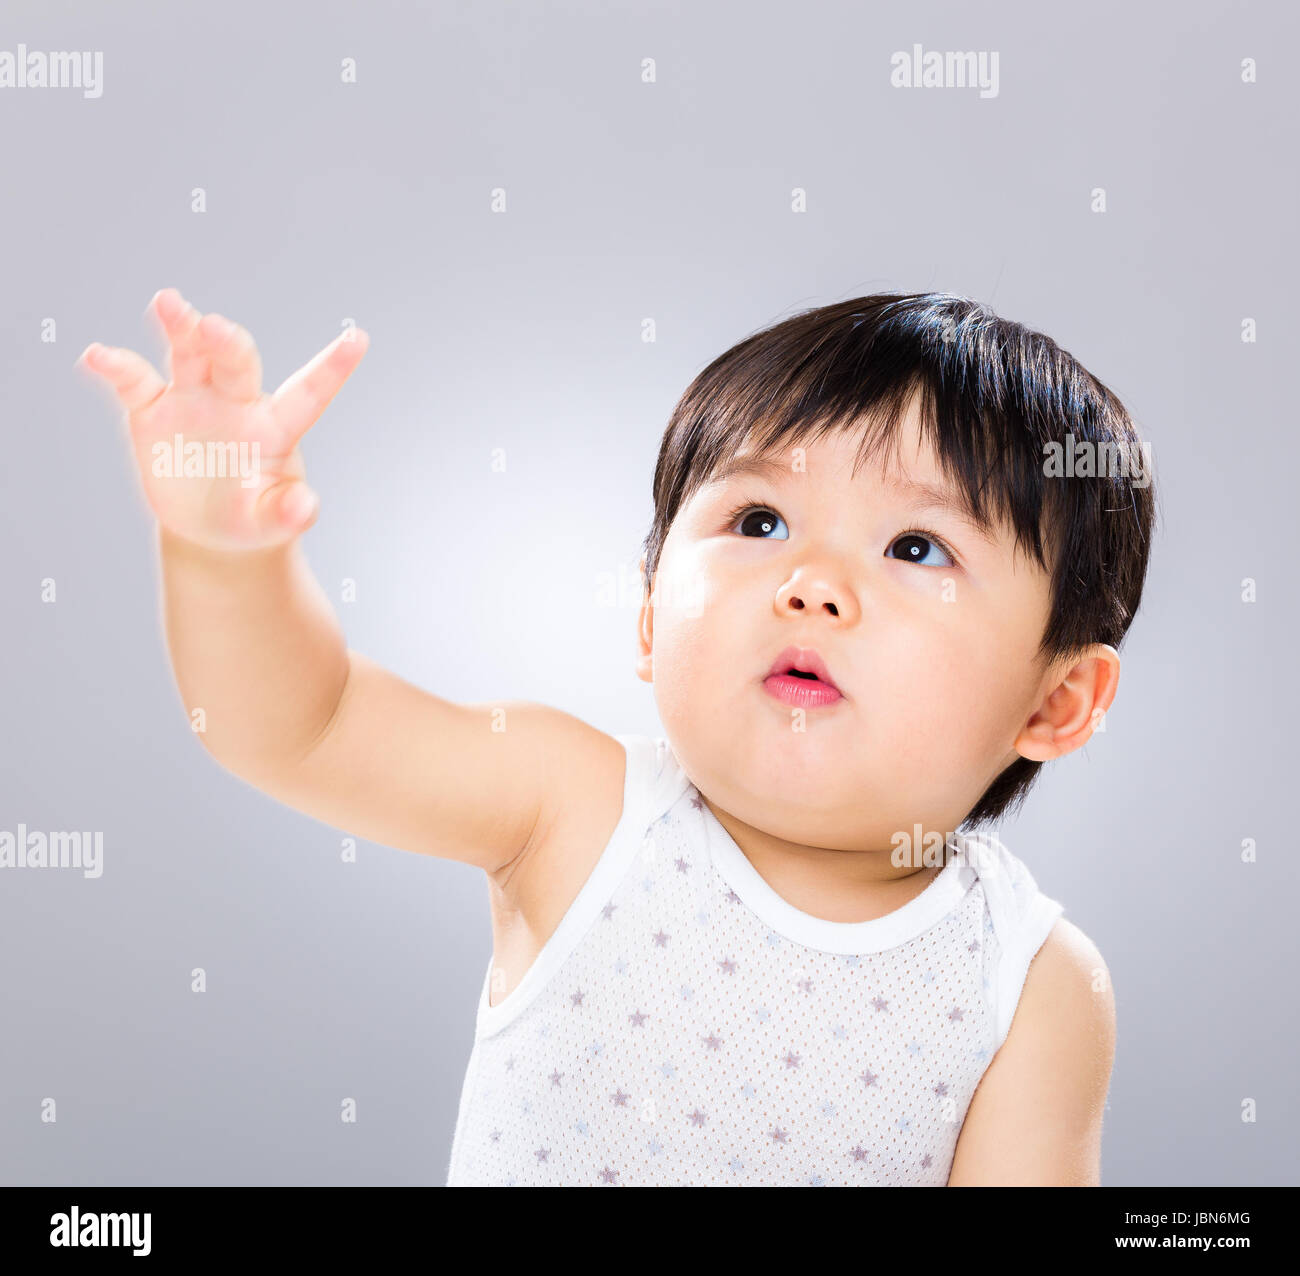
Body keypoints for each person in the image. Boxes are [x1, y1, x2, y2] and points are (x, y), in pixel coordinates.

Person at [78, 288, 1154, 1185]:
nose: (811, 584)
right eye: (759, 522)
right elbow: (301, 727)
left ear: (1055, 703)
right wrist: (223, 557)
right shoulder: (572, 809)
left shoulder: (1030, 982)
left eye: (916, 546)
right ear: (649, 617)